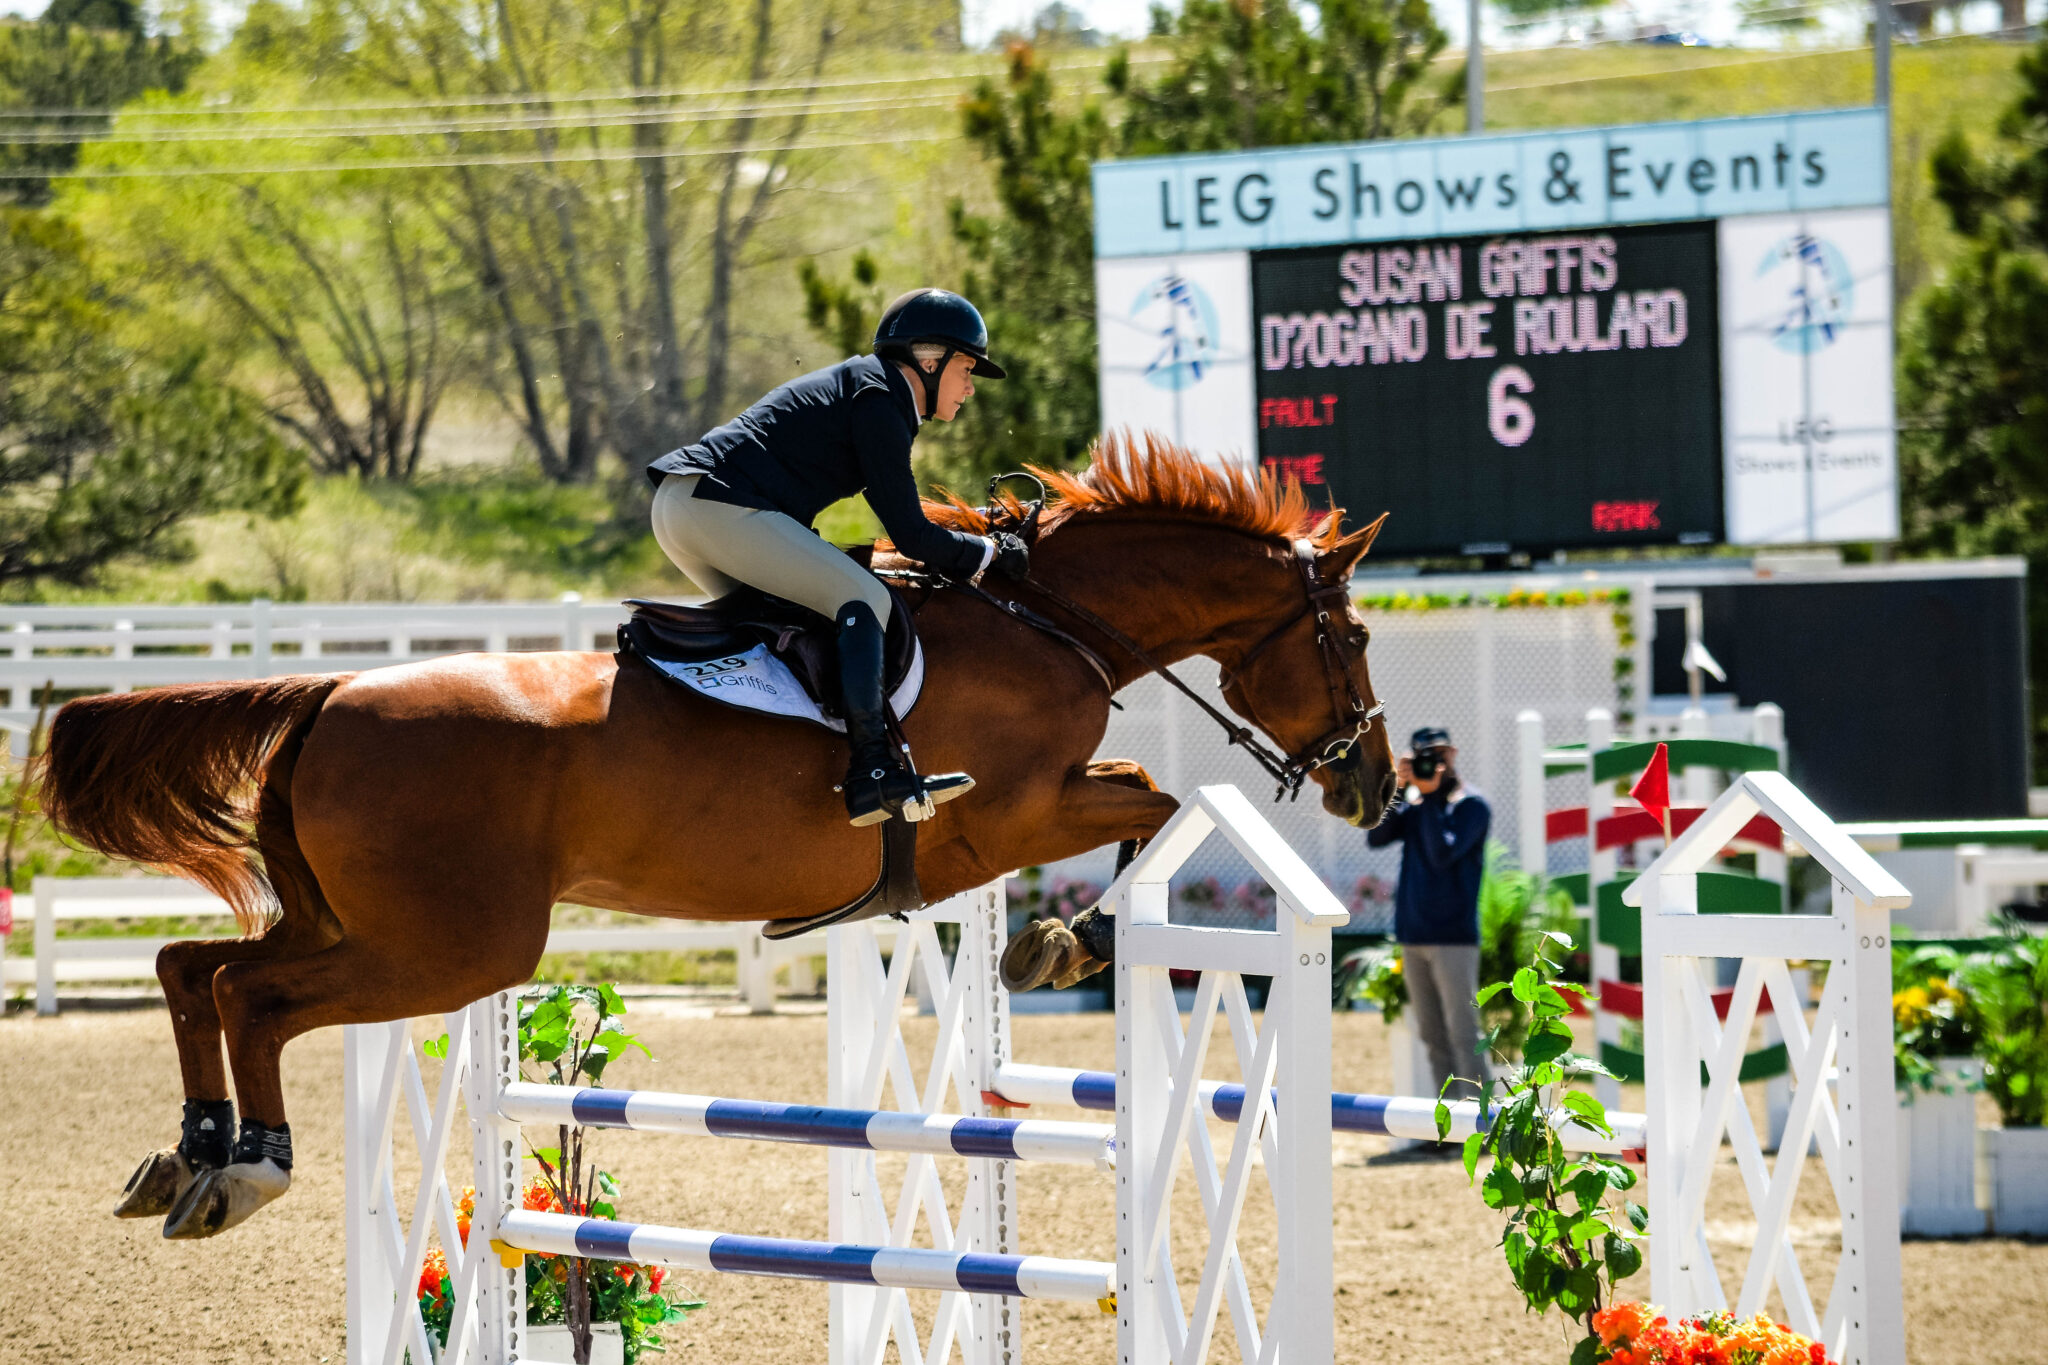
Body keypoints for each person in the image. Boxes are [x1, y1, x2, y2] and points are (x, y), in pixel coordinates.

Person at [645, 288, 1030, 827]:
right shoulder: (880, 399)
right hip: (714, 507)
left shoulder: (869, 389)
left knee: (803, 621)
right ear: (928, 358)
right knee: (863, 597)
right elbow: (913, 535)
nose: (970, 387)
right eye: (966, 368)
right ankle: (872, 770)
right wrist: (989, 551)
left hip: (683, 507)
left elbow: (902, 521)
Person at [1365, 725, 1492, 1106]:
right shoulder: (1418, 805)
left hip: (1453, 939)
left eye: (1439, 754)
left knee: (1463, 1034)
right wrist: (1400, 789)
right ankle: (1449, 1127)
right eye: (1424, 756)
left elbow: (1441, 854)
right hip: (1413, 935)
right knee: (1433, 1035)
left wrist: (1431, 798)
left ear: (1453, 754)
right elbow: (1376, 837)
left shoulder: (1472, 806)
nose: (1433, 762)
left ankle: (1481, 1127)